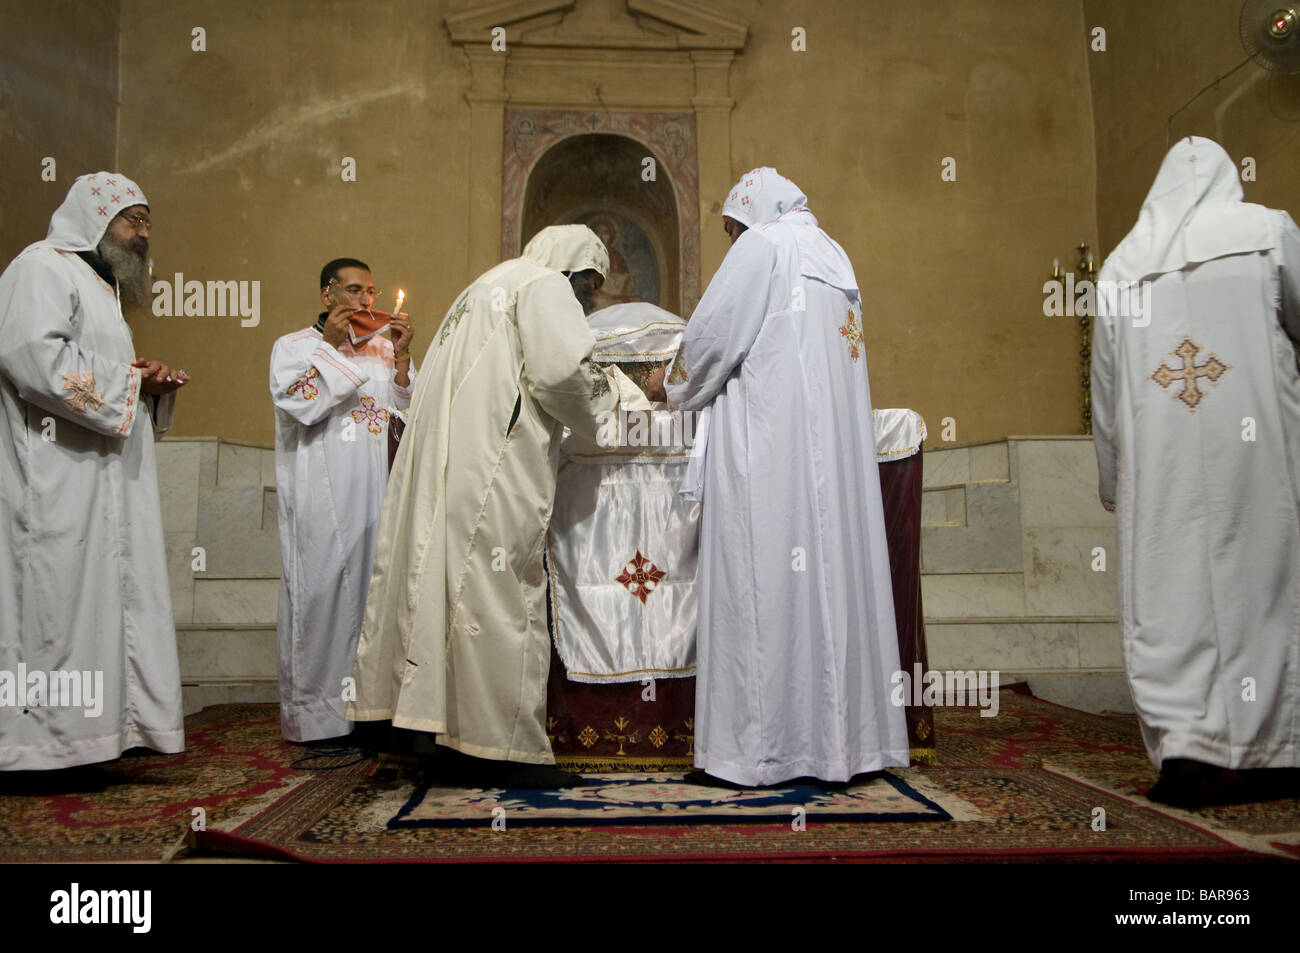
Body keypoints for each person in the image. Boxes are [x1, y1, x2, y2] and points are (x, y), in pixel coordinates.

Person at [349, 225, 649, 787]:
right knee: (500, 592)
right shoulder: (543, 287)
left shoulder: (484, 285)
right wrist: (624, 395)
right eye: (590, 284)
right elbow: (562, 374)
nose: (589, 298)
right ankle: (503, 748)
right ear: (573, 271)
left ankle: (429, 730)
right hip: (490, 466)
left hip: (443, 466)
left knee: (440, 594)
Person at [664, 167, 908, 787]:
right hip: (830, 460)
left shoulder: (764, 245)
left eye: (730, 230)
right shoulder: (835, 258)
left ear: (752, 217)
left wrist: (669, 383)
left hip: (769, 456)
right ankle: (842, 747)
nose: (730, 242)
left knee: (759, 589)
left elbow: (711, 340)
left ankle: (751, 755)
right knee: (830, 595)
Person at [1091, 136, 1300, 807]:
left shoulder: (1125, 265)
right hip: (1259, 448)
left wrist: (1112, 478)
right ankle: (1280, 750)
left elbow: (1105, 393)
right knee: (1263, 588)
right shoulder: (1267, 234)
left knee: (1170, 594)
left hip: (1163, 465)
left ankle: (1185, 750)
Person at [0, 172, 187, 771]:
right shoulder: (41, 267)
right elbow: (33, 356)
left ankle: (98, 736)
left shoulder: (98, 287)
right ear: (94, 218)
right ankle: (37, 748)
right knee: (54, 605)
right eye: (133, 221)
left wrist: (139, 377)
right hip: (53, 480)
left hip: (100, 476)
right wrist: (129, 382)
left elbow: (93, 369)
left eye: (147, 223)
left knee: (104, 606)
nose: (143, 235)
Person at [269, 258, 415, 743]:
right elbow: (301, 403)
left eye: (371, 291)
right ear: (326, 295)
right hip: (323, 495)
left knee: (380, 600)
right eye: (353, 290)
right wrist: (331, 348)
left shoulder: (382, 351)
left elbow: (406, 415)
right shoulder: (293, 347)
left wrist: (405, 359)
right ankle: (320, 717)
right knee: (323, 595)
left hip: (378, 494)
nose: (365, 301)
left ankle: (375, 713)